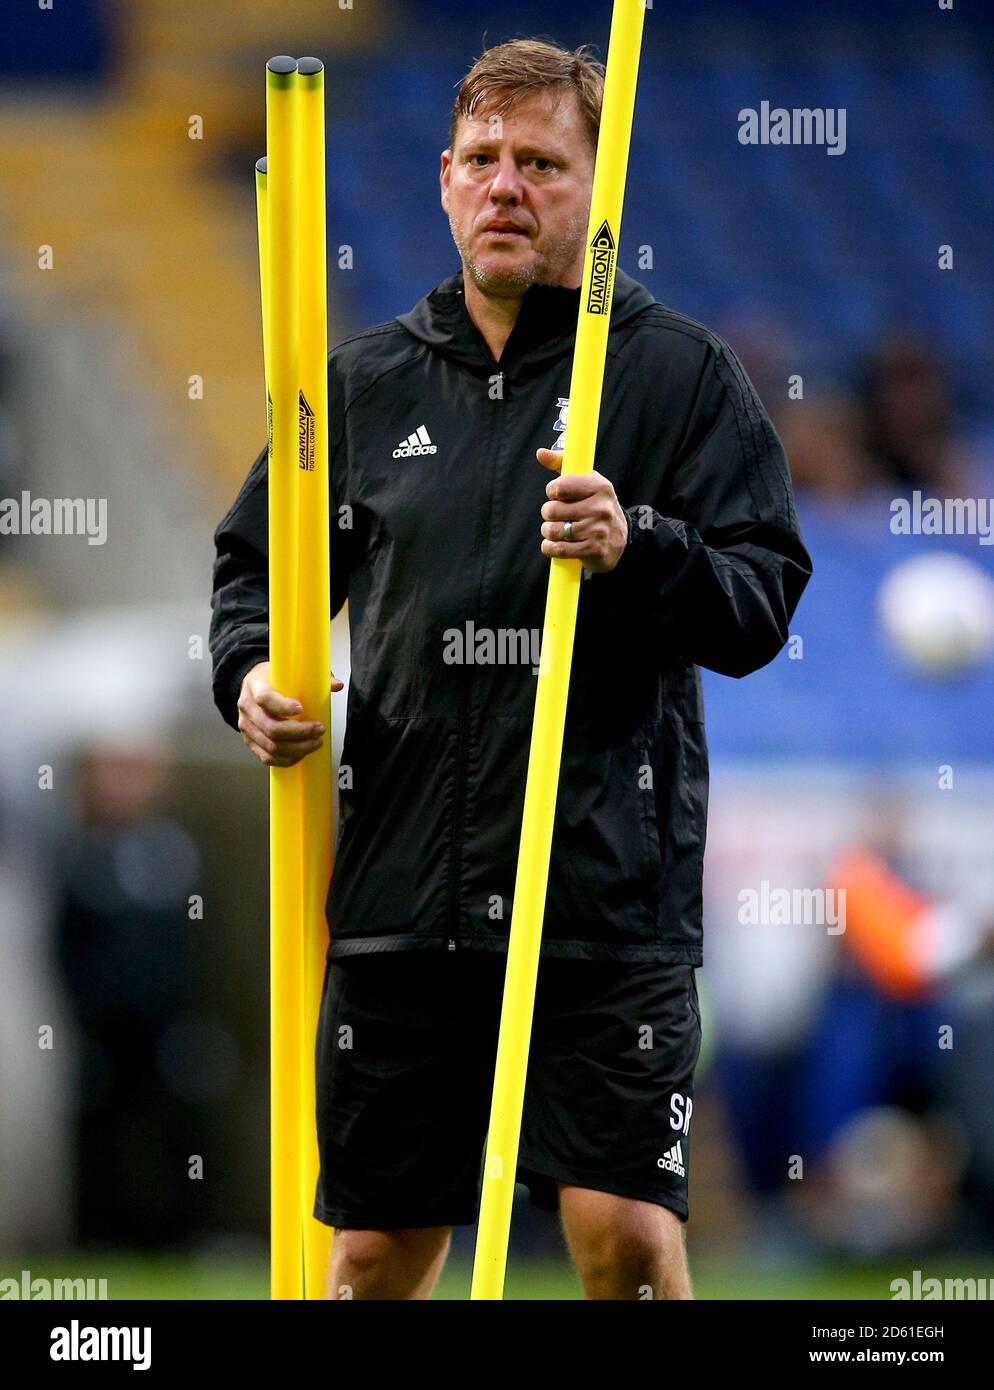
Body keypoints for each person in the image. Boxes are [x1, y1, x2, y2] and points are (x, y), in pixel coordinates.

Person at [209, 37, 812, 1300]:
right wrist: (255, 670)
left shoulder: (674, 376)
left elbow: (761, 601)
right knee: (369, 1258)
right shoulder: (357, 388)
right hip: (400, 894)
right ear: (442, 179)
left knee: (626, 1242)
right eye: (483, 160)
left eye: (541, 162)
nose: (506, 187)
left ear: (595, 189)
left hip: (602, 901)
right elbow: (255, 573)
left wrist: (638, 541)